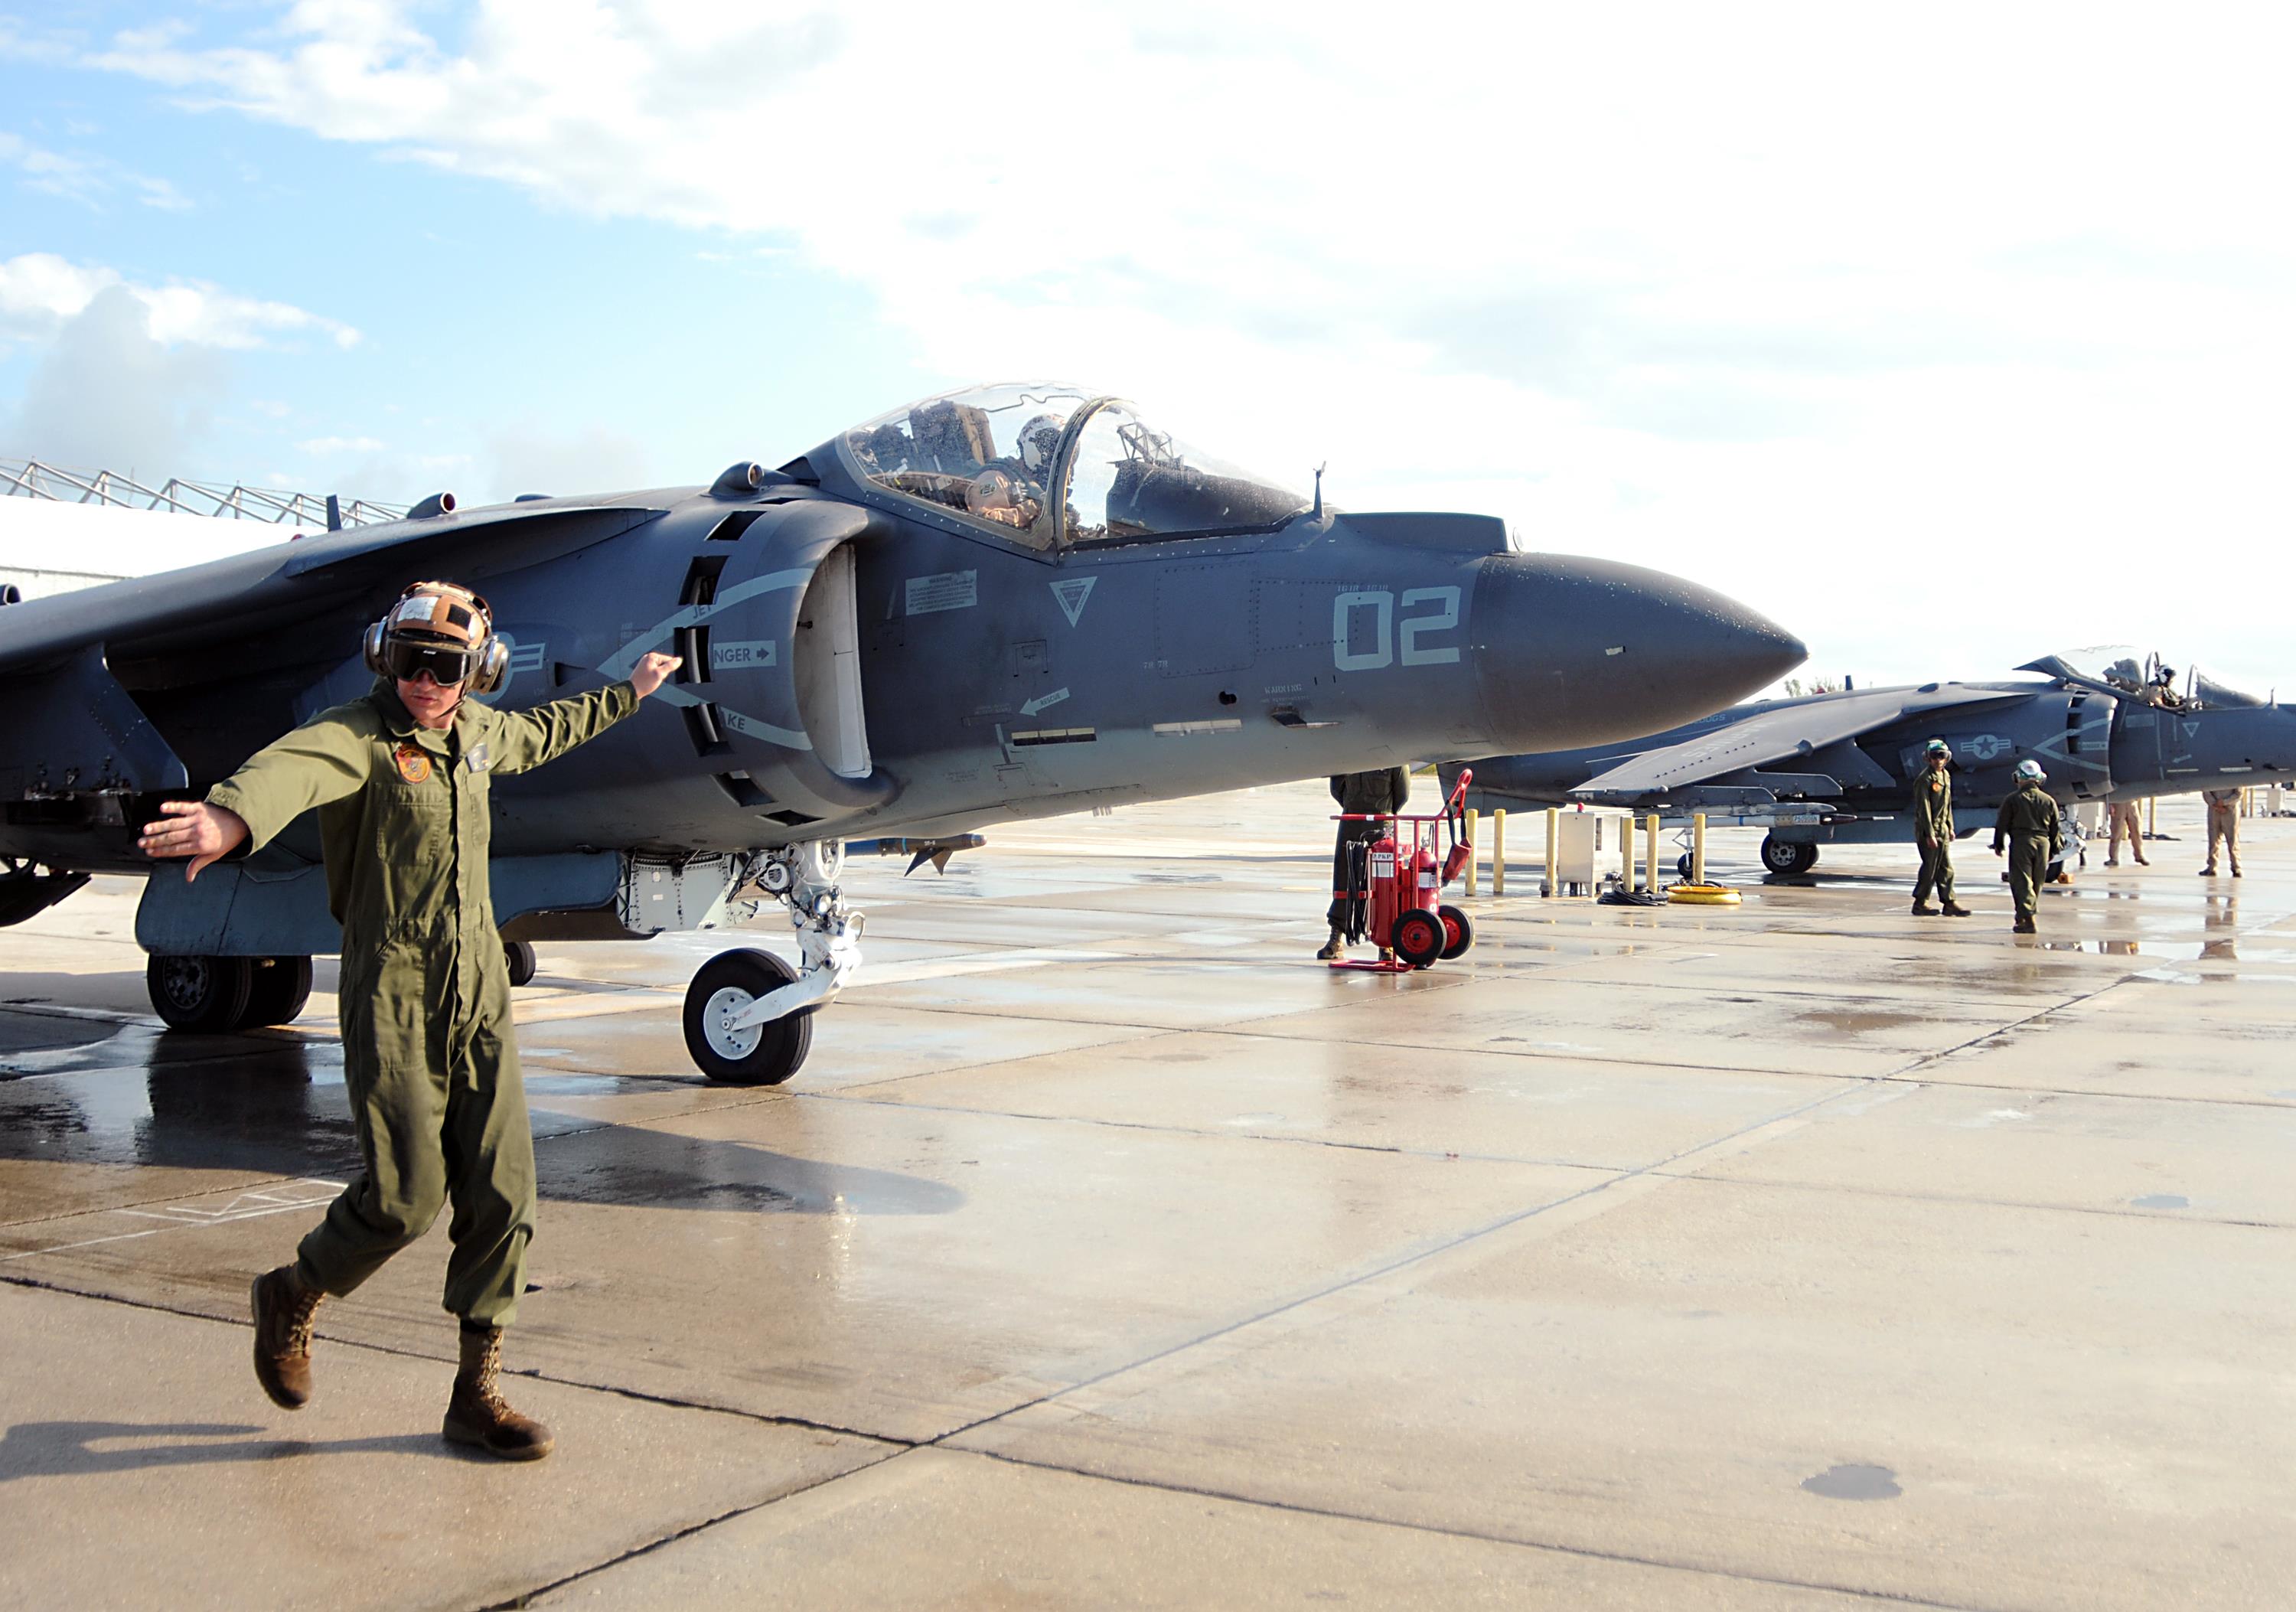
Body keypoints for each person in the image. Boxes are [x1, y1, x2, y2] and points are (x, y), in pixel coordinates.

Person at [136, 581, 680, 1462]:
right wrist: (229, 818)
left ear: (478, 672)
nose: (427, 682)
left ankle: (477, 1394)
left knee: (506, 1193)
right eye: (412, 663)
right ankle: (294, 1292)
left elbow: (544, 731)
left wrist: (631, 693)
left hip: (479, 983)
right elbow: (296, 763)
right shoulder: (361, 736)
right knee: (405, 1198)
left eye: (447, 667)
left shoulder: (479, 732)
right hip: (391, 987)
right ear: (385, 660)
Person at [1319, 766, 1411, 961]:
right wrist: (1353, 808)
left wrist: (1382, 813)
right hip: (1351, 820)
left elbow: (1402, 794)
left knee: (1384, 884)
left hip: (1381, 824)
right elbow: (1337, 788)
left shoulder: (1395, 758)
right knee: (1344, 878)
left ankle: (1386, 944)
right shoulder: (1350, 750)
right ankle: (1336, 937)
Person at [1991, 759, 2063, 934]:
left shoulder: (2013, 799)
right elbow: (2055, 827)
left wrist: (1999, 844)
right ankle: (2023, 915)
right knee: (2037, 882)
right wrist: (2055, 849)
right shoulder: (2049, 800)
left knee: (2022, 881)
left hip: (2022, 843)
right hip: (2043, 843)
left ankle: (2027, 918)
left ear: (2018, 778)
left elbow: (2002, 824)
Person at [1910, 738, 1971, 916]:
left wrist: (1950, 827)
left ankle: (1949, 902)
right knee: (1930, 868)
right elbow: (1924, 809)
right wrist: (1929, 834)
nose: (1938, 760)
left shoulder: (1945, 776)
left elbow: (1947, 805)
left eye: (1941, 756)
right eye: (1935, 757)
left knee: (1946, 868)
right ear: (1928, 759)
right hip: (1928, 830)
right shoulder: (1924, 779)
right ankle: (1920, 903)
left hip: (1942, 829)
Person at [2200, 787, 2243, 877]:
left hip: (2230, 810)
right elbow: (2206, 790)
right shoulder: (2211, 775)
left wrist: (2224, 803)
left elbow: (2238, 794)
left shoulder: (2236, 775)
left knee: (2233, 840)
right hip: (2214, 810)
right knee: (2213, 840)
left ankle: (2236, 867)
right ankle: (2212, 867)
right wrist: (2215, 805)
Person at [2105, 798, 2149, 866]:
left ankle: (2139, 855)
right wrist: (2109, 805)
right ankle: (2114, 858)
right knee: (2116, 832)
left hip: (2132, 803)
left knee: (2136, 830)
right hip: (2118, 803)